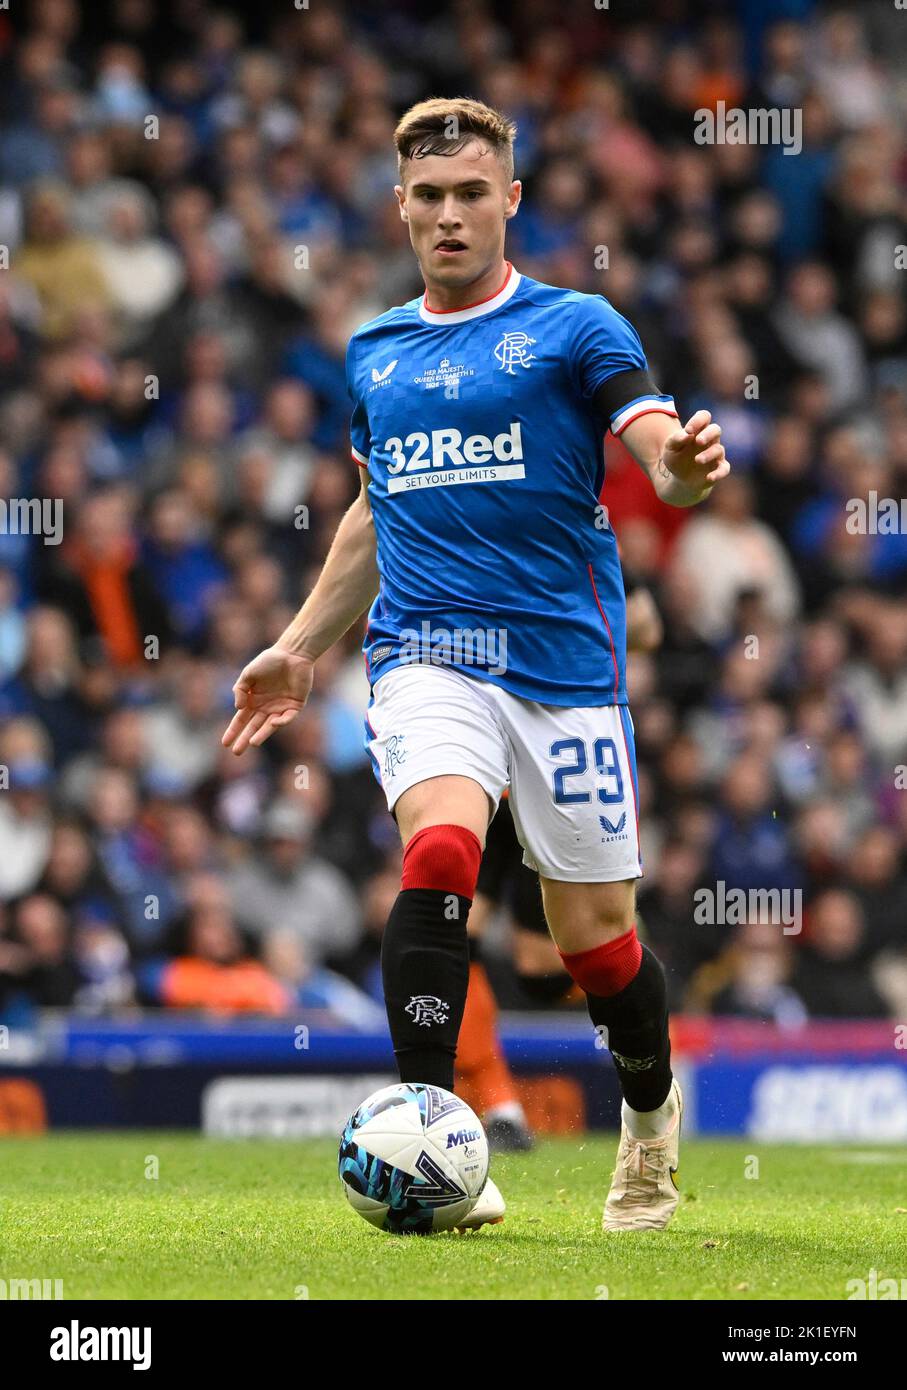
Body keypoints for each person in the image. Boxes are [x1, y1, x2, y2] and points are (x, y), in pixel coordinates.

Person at [222, 98, 729, 1233]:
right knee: (442, 846)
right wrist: (304, 648)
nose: (449, 215)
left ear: (511, 198)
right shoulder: (373, 350)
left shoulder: (578, 326)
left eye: (470, 193)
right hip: (424, 655)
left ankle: (647, 1121)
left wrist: (688, 471)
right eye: (427, 197)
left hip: (563, 668)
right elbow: (371, 512)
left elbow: (657, 444)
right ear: (400, 207)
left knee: (594, 943)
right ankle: (438, 1145)